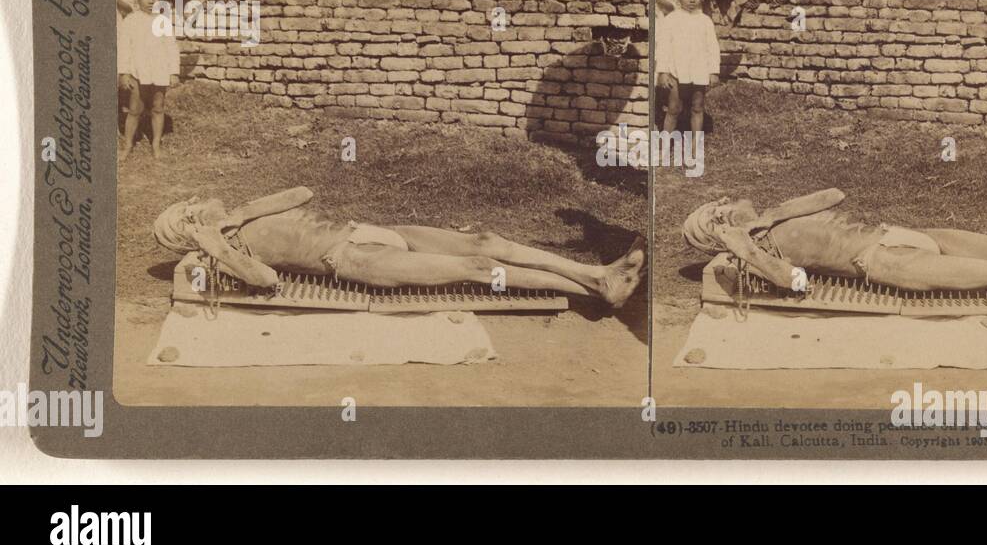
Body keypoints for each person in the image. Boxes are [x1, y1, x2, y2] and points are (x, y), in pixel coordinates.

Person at [682, 189, 987, 314]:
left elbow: (835, 196)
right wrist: (743, 246)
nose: (725, 204)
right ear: (718, 238)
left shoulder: (773, 219)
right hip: (885, 263)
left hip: (899, 232)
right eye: (717, 216)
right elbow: (798, 284)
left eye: (718, 204)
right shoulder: (758, 256)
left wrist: (768, 214)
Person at [154, 187, 646, 308]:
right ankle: (598, 285)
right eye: (191, 214)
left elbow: (302, 194)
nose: (201, 204)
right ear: (189, 234)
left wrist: (236, 214)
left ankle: (599, 271)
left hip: (367, 229)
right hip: (352, 259)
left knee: (484, 240)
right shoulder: (223, 252)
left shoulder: (242, 214)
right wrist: (214, 243)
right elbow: (266, 281)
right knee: (478, 266)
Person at [118, 0, 179, 160]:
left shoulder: (163, 21)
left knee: (158, 107)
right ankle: (128, 145)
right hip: (138, 72)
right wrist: (124, 73)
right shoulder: (130, 21)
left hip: (159, 71)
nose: (151, 1)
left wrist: (173, 72)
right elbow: (124, 48)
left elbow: (171, 47)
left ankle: (156, 144)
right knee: (135, 109)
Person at [655, 0, 719, 135]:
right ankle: (665, 141)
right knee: (674, 108)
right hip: (676, 70)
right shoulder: (671, 20)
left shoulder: (705, 21)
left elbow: (713, 47)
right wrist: (662, 71)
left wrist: (713, 71)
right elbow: (663, 46)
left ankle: (695, 145)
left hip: (699, 70)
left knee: (697, 107)